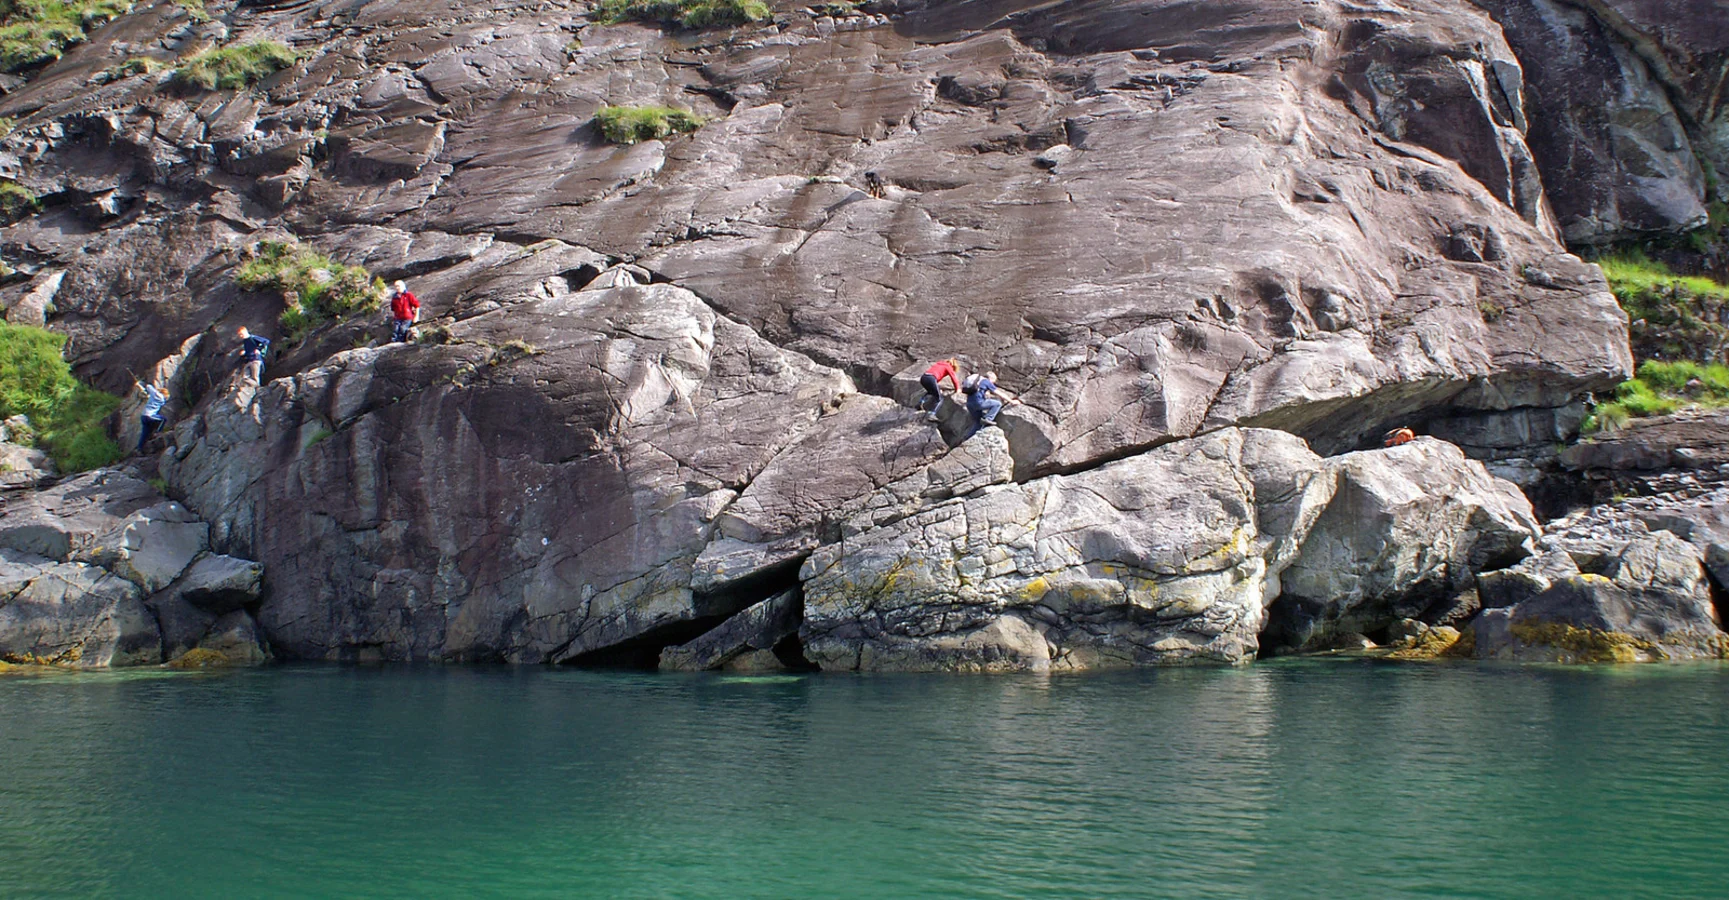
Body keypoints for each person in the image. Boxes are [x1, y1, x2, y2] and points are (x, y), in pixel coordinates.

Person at [964, 370, 1019, 434]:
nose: (992, 384)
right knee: (997, 404)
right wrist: (1011, 401)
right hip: (978, 403)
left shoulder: (977, 381)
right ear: (990, 378)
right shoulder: (986, 381)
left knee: (978, 422)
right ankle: (988, 419)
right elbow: (999, 393)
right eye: (993, 382)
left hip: (969, 404)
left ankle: (968, 438)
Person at [918, 358, 962, 422]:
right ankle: (932, 414)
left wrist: (938, 389)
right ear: (952, 366)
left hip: (924, 377)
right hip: (931, 379)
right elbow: (953, 378)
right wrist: (957, 388)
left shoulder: (939, 363)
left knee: (931, 392)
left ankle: (920, 402)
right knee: (940, 398)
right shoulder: (948, 366)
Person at [136, 380, 166, 453]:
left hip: (143, 416)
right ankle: (158, 432)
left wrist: (141, 383)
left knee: (145, 433)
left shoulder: (154, 394)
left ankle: (139, 449)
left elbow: (149, 386)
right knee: (163, 419)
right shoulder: (161, 398)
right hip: (150, 416)